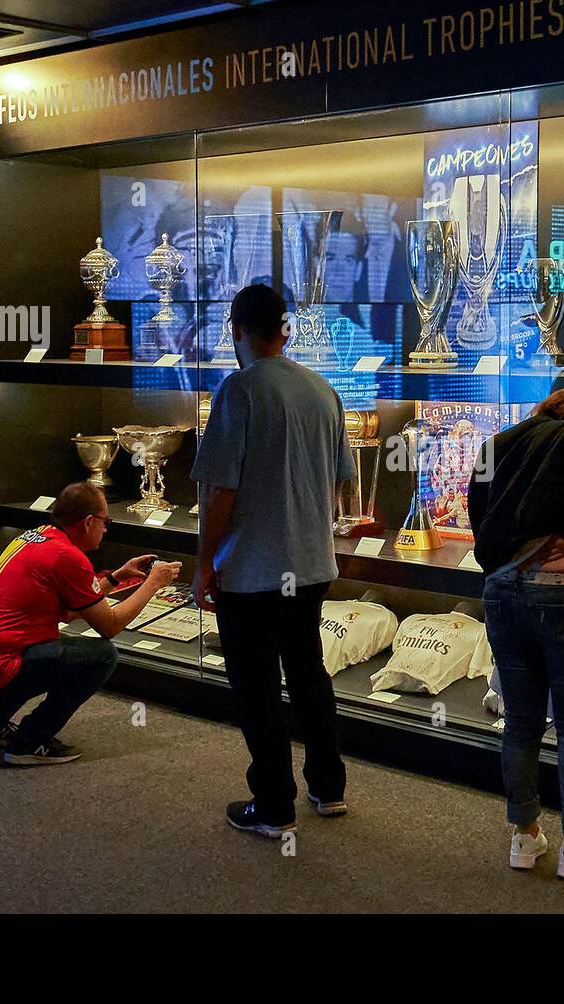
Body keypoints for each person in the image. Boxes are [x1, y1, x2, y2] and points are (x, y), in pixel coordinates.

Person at [192, 282, 357, 838]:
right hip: (310, 564)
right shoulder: (323, 390)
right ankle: (328, 787)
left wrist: (203, 562)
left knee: (257, 685)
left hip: (254, 570)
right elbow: (340, 483)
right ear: (284, 330)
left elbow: (221, 491)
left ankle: (273, 806)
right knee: (309, 671)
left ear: (236, 329)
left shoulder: (237, 392)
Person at [467, 387, 564, 879]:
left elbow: (477, 498)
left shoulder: (503, 442)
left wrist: (497, 545)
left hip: (504, 588)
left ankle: (524, 836)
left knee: (520, 720)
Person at [0, 481, 182, 765]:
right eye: (106, 521)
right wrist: (154, 583)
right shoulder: (69, 558)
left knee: (43, 646)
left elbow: (69, 610)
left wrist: (117, 577)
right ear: (89, 522)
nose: (106, 529)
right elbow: (110, 625)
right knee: (101, 655)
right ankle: (30, 742)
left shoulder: (37, 536)